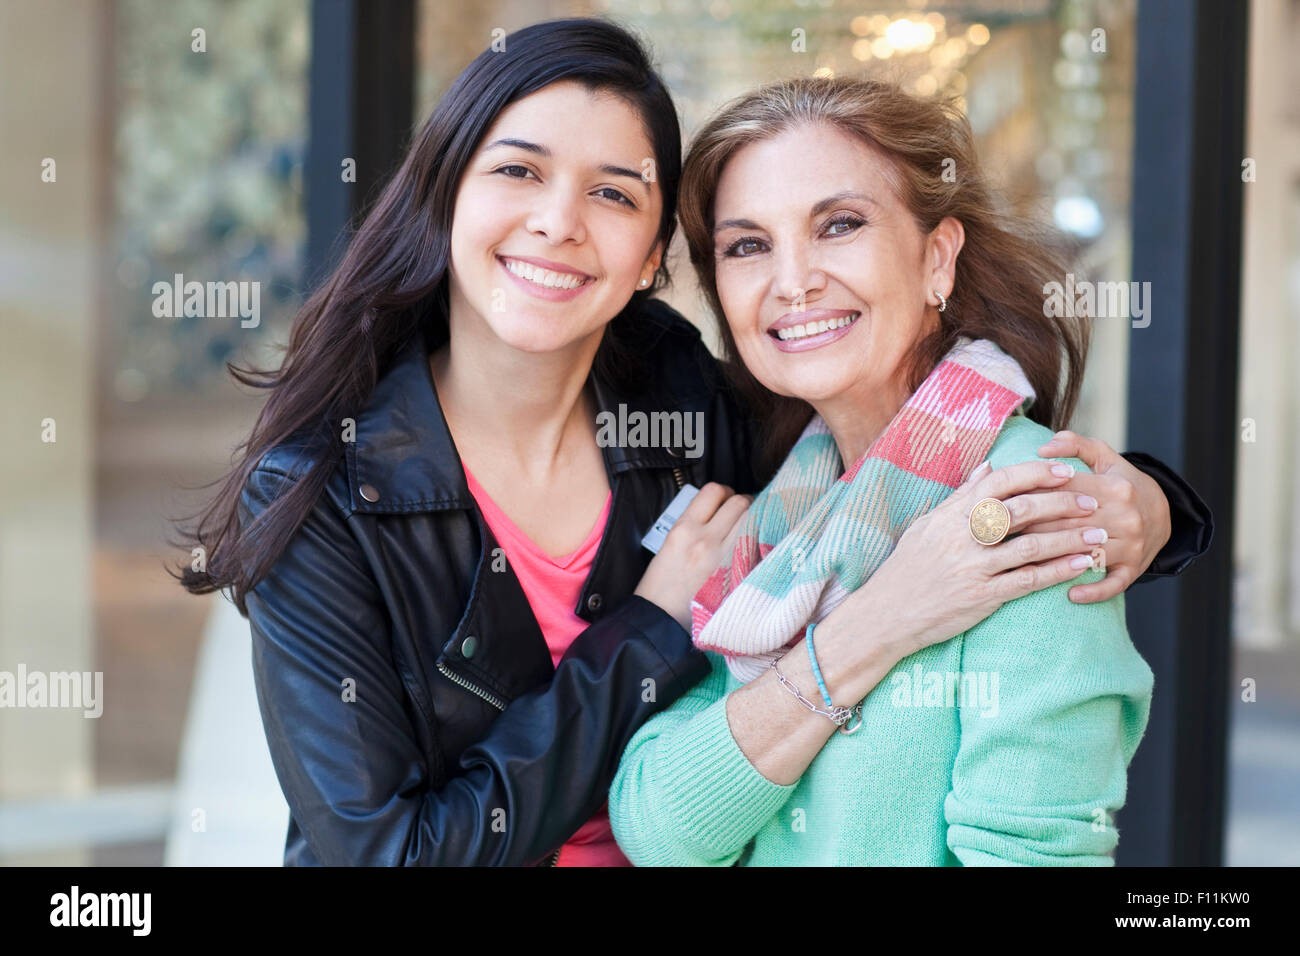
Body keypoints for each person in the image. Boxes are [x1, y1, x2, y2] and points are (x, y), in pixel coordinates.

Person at [178, 20, 1209, 866]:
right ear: (446, 195)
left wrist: (1154, 507)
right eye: (518, 171)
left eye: (614, 193)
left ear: (650, 261)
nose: (557, 221)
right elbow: (394, 854)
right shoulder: (322, 497)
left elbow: (909, 458)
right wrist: (650, 621)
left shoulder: (689, 410)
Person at [609, 76, 1183, 866]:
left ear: (937, 259)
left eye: (838, 225)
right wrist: (880, 622)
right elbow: (658, 827)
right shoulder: (786, 511)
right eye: (748, 245)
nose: (792, 280)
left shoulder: (1024, 508)